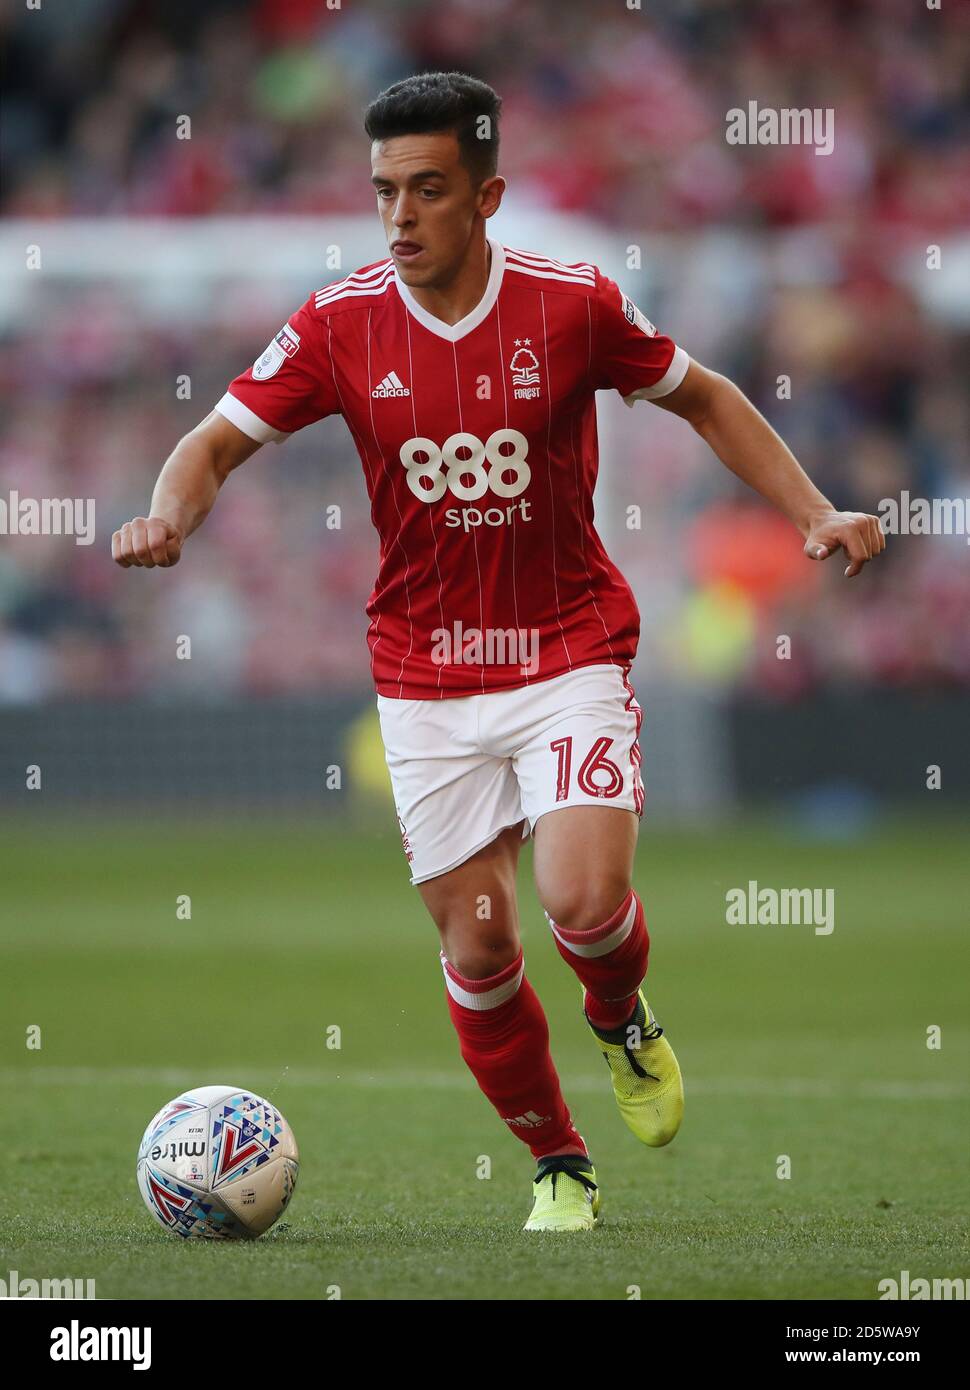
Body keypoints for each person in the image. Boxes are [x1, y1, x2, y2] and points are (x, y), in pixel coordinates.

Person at [112, 70, 886, 1232]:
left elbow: (705, 397)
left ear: (488, 196)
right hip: (423, 678)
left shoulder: (571, 303)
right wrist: (168, 512)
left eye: (428, 190)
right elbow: (211, 442)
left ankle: (621, 1020)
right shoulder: (337, 323)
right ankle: (559, 1163)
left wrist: (813, 507)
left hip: (566, 650)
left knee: (582, 900)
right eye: (384, 192)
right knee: (479, 949)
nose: (400, 216)